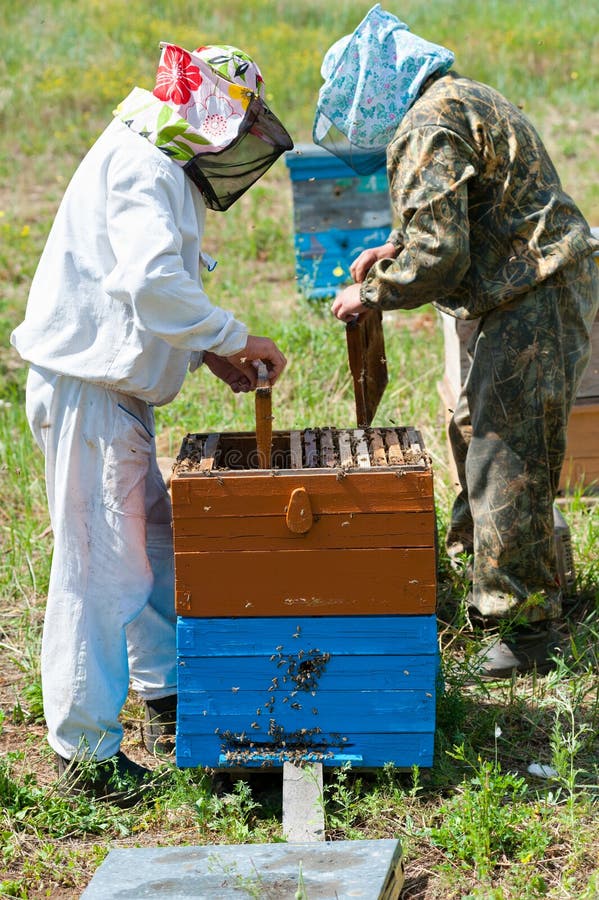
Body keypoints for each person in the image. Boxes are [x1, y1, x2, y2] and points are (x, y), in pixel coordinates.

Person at [10, 42, 291, 803]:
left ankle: (166, 697)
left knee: (156, 554)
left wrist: (208, 355)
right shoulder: (144, 165)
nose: (235, 148)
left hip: (111, 393)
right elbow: (151, 282)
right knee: (101, 573)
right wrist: (234, 337)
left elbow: (141, 298)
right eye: (234, 128)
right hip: (90, 395)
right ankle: (84, 756)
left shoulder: (155, 161)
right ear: (204, 113)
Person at [314, 4, 599, 678]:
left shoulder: (427, 125)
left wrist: (373, 290)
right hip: (529, 286)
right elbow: (465, 210)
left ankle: (525, 632)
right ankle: (489, 581)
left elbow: (439, 253)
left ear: (371, 85)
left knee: (505, 454)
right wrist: (390, 250)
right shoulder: (454, 96)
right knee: (480, 433)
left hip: (532, 291)